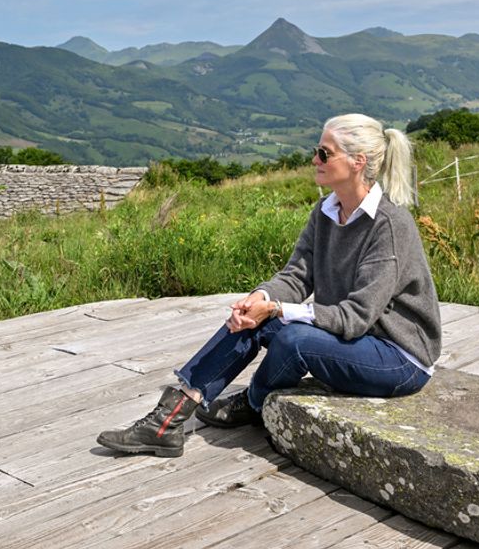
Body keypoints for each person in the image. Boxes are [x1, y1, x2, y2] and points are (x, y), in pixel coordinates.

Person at [97, 113, 441, 458]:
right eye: (316, 151)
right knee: (257, 318)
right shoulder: (325, 211)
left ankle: (253, 402)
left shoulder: (390, 225)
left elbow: (356, 317)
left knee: (295, 339)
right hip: (354, 340)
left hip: (397, 357)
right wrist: (258, 299)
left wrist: (277, 309)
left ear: (357, 162)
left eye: (324, 153)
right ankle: (169, 419)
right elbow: (296, 276)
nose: (314, 160)